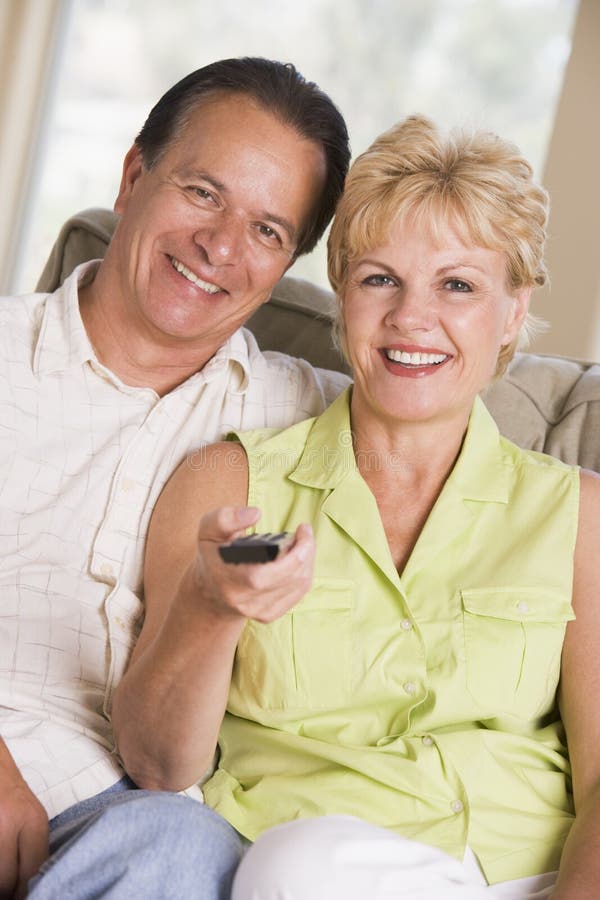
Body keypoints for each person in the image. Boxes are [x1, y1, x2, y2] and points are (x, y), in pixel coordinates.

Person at [125, 114, 600, 899]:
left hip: (533, 877)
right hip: (308, 874)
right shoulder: (229, 484)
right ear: (343, 295)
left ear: (512, 312)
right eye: (381, 278)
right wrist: (210, 609)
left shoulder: (578, 517)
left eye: (459, 285)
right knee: (303, 864)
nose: (412, 318)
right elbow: (157, 763)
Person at [0, 57, 350, 899]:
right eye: (203, 192)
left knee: (186, 850)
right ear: (133, 178)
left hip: (124, 824)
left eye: (268, 231)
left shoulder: (301, 414)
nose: (222, 247)